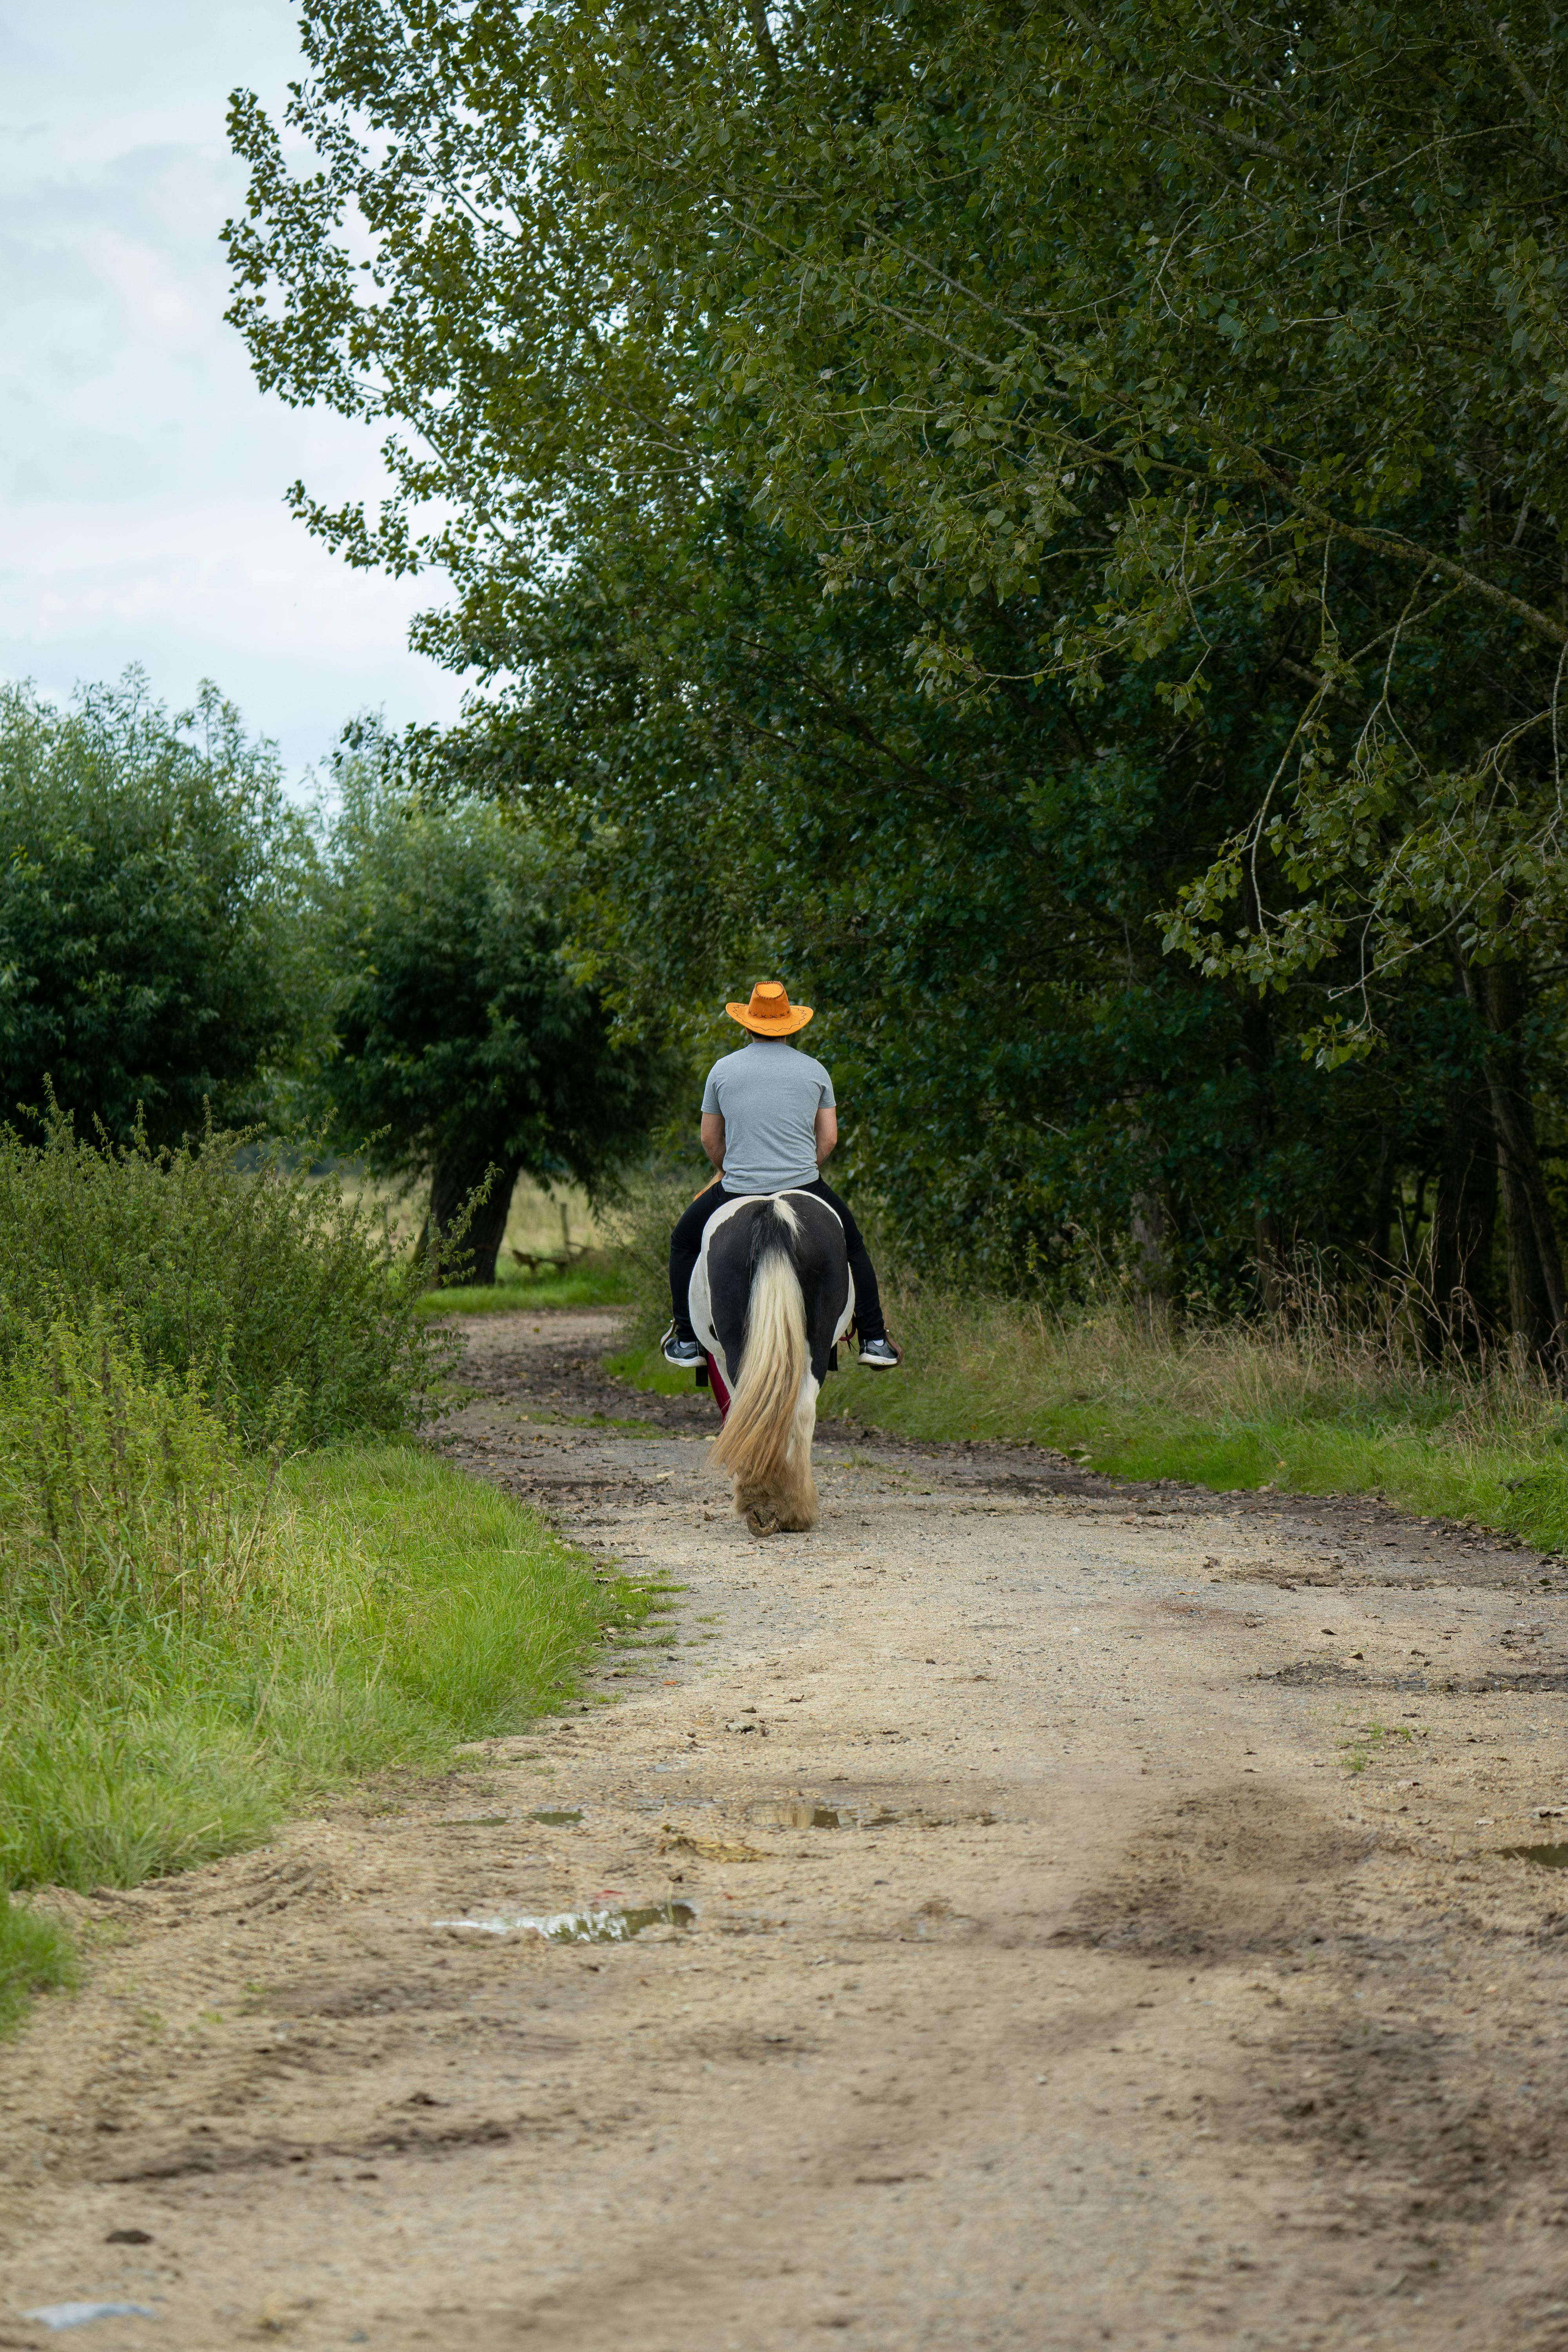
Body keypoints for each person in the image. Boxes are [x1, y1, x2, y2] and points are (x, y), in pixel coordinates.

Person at [662, 980, 902, 1370]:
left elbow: (710, 1139)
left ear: (747, 1025)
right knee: (853, 1245)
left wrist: (735, 1168)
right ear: (791, 1027)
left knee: (684, 1242)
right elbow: (829, 1139)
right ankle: (874, 1338)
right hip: (805, 1185)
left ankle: (687, 1338)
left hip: (737, 1187)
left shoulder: (722, 1070)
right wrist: (799, 1166)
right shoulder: (815, 1070)